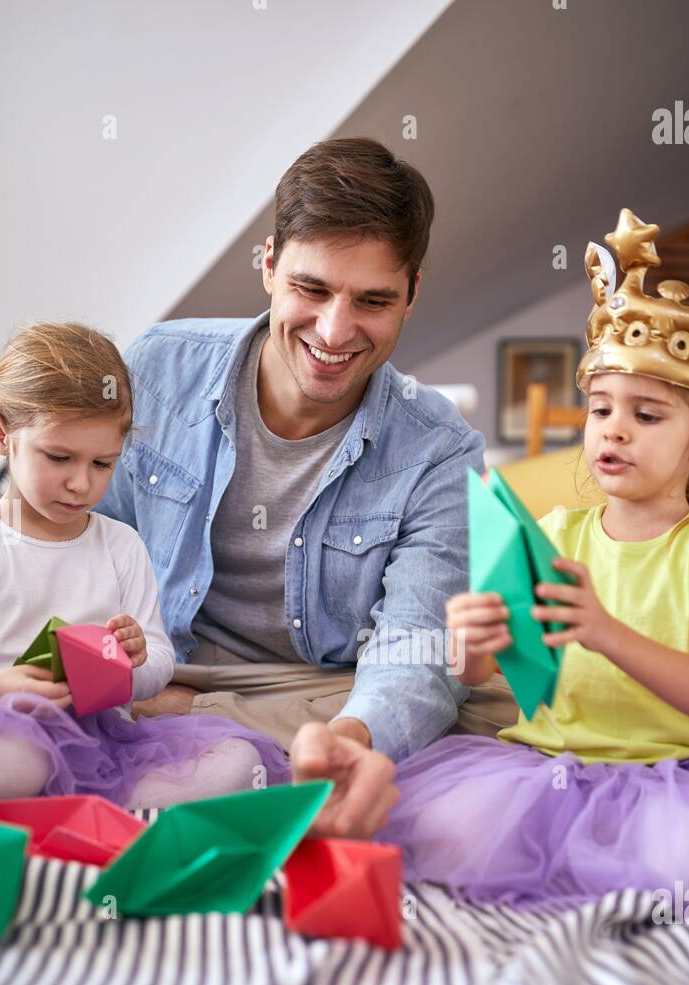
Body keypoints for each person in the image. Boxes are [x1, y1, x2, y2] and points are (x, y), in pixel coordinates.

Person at [375, 208, 689, 908]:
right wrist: (472, 644)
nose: (614, 431)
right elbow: (492, 671)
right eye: (600, 410)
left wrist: (604, 631)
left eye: (646, 415)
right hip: (541, 770)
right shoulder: (558, 530)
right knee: (442, 832)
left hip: (666, 775)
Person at [90, 138, 515, 839]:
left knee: (486, 702)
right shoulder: (157, 367)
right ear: (268, 265)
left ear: (412, 297)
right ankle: (207, 739)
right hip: (162, 661)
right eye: (311, 289)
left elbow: (412, 647)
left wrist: (347, 743)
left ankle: (201, 737)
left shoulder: (442, 451)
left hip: (320, 686)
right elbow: (70, 536)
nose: (335, 330)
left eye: (373, 300)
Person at [0, 321, 327, 814]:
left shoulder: (121, 545)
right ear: (1, 434)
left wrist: (135, 659)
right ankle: (53, 798)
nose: (81, 483)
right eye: (60, 458)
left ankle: (90, 806)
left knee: (238, 760)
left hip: (103, 740)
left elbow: (159, 664)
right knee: (24, 758)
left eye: (103, 464)